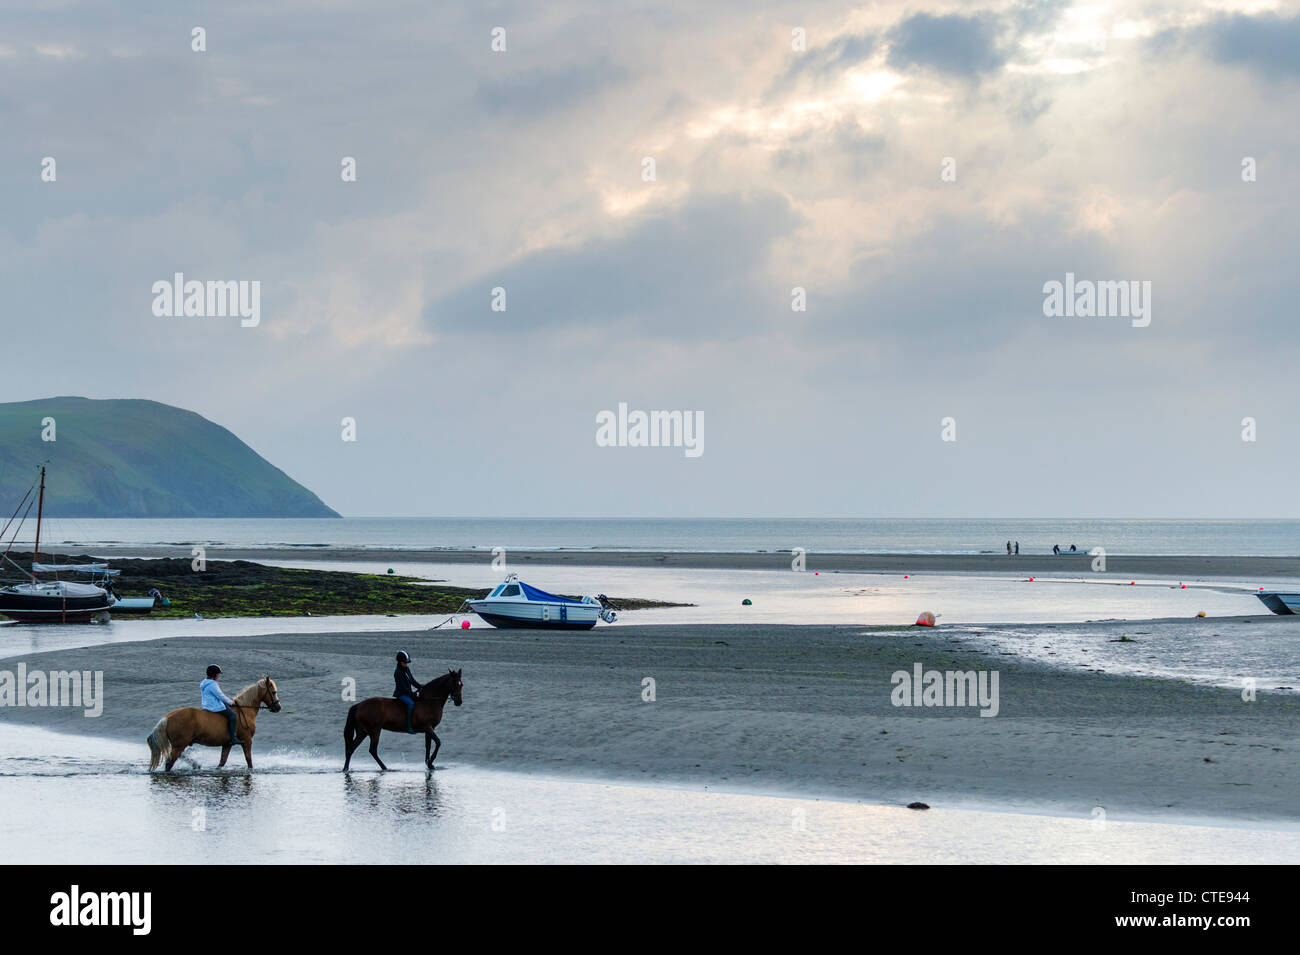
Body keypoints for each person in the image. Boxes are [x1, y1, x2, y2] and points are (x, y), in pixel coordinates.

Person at [199, 664, 240, 747]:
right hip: (214, 706)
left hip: (206, 705)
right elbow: (220, 696)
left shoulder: (204, 682)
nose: (218, 676)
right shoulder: (212, 684)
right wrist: (231, 702)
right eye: (218, 674)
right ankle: (233, 738)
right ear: (214, 675)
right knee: (233, 715)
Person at [393, 650, 423, 734]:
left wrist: (421, 687)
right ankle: (408, 726)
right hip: (401, 693)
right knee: (411, 703)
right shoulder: (397, 672)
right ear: (400, 662)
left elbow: (412, 681)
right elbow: (403, 688)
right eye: (405, 663)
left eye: (407, 663)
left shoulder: (406, 669)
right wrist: (413, 694)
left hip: (407, 691)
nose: (406, 664)